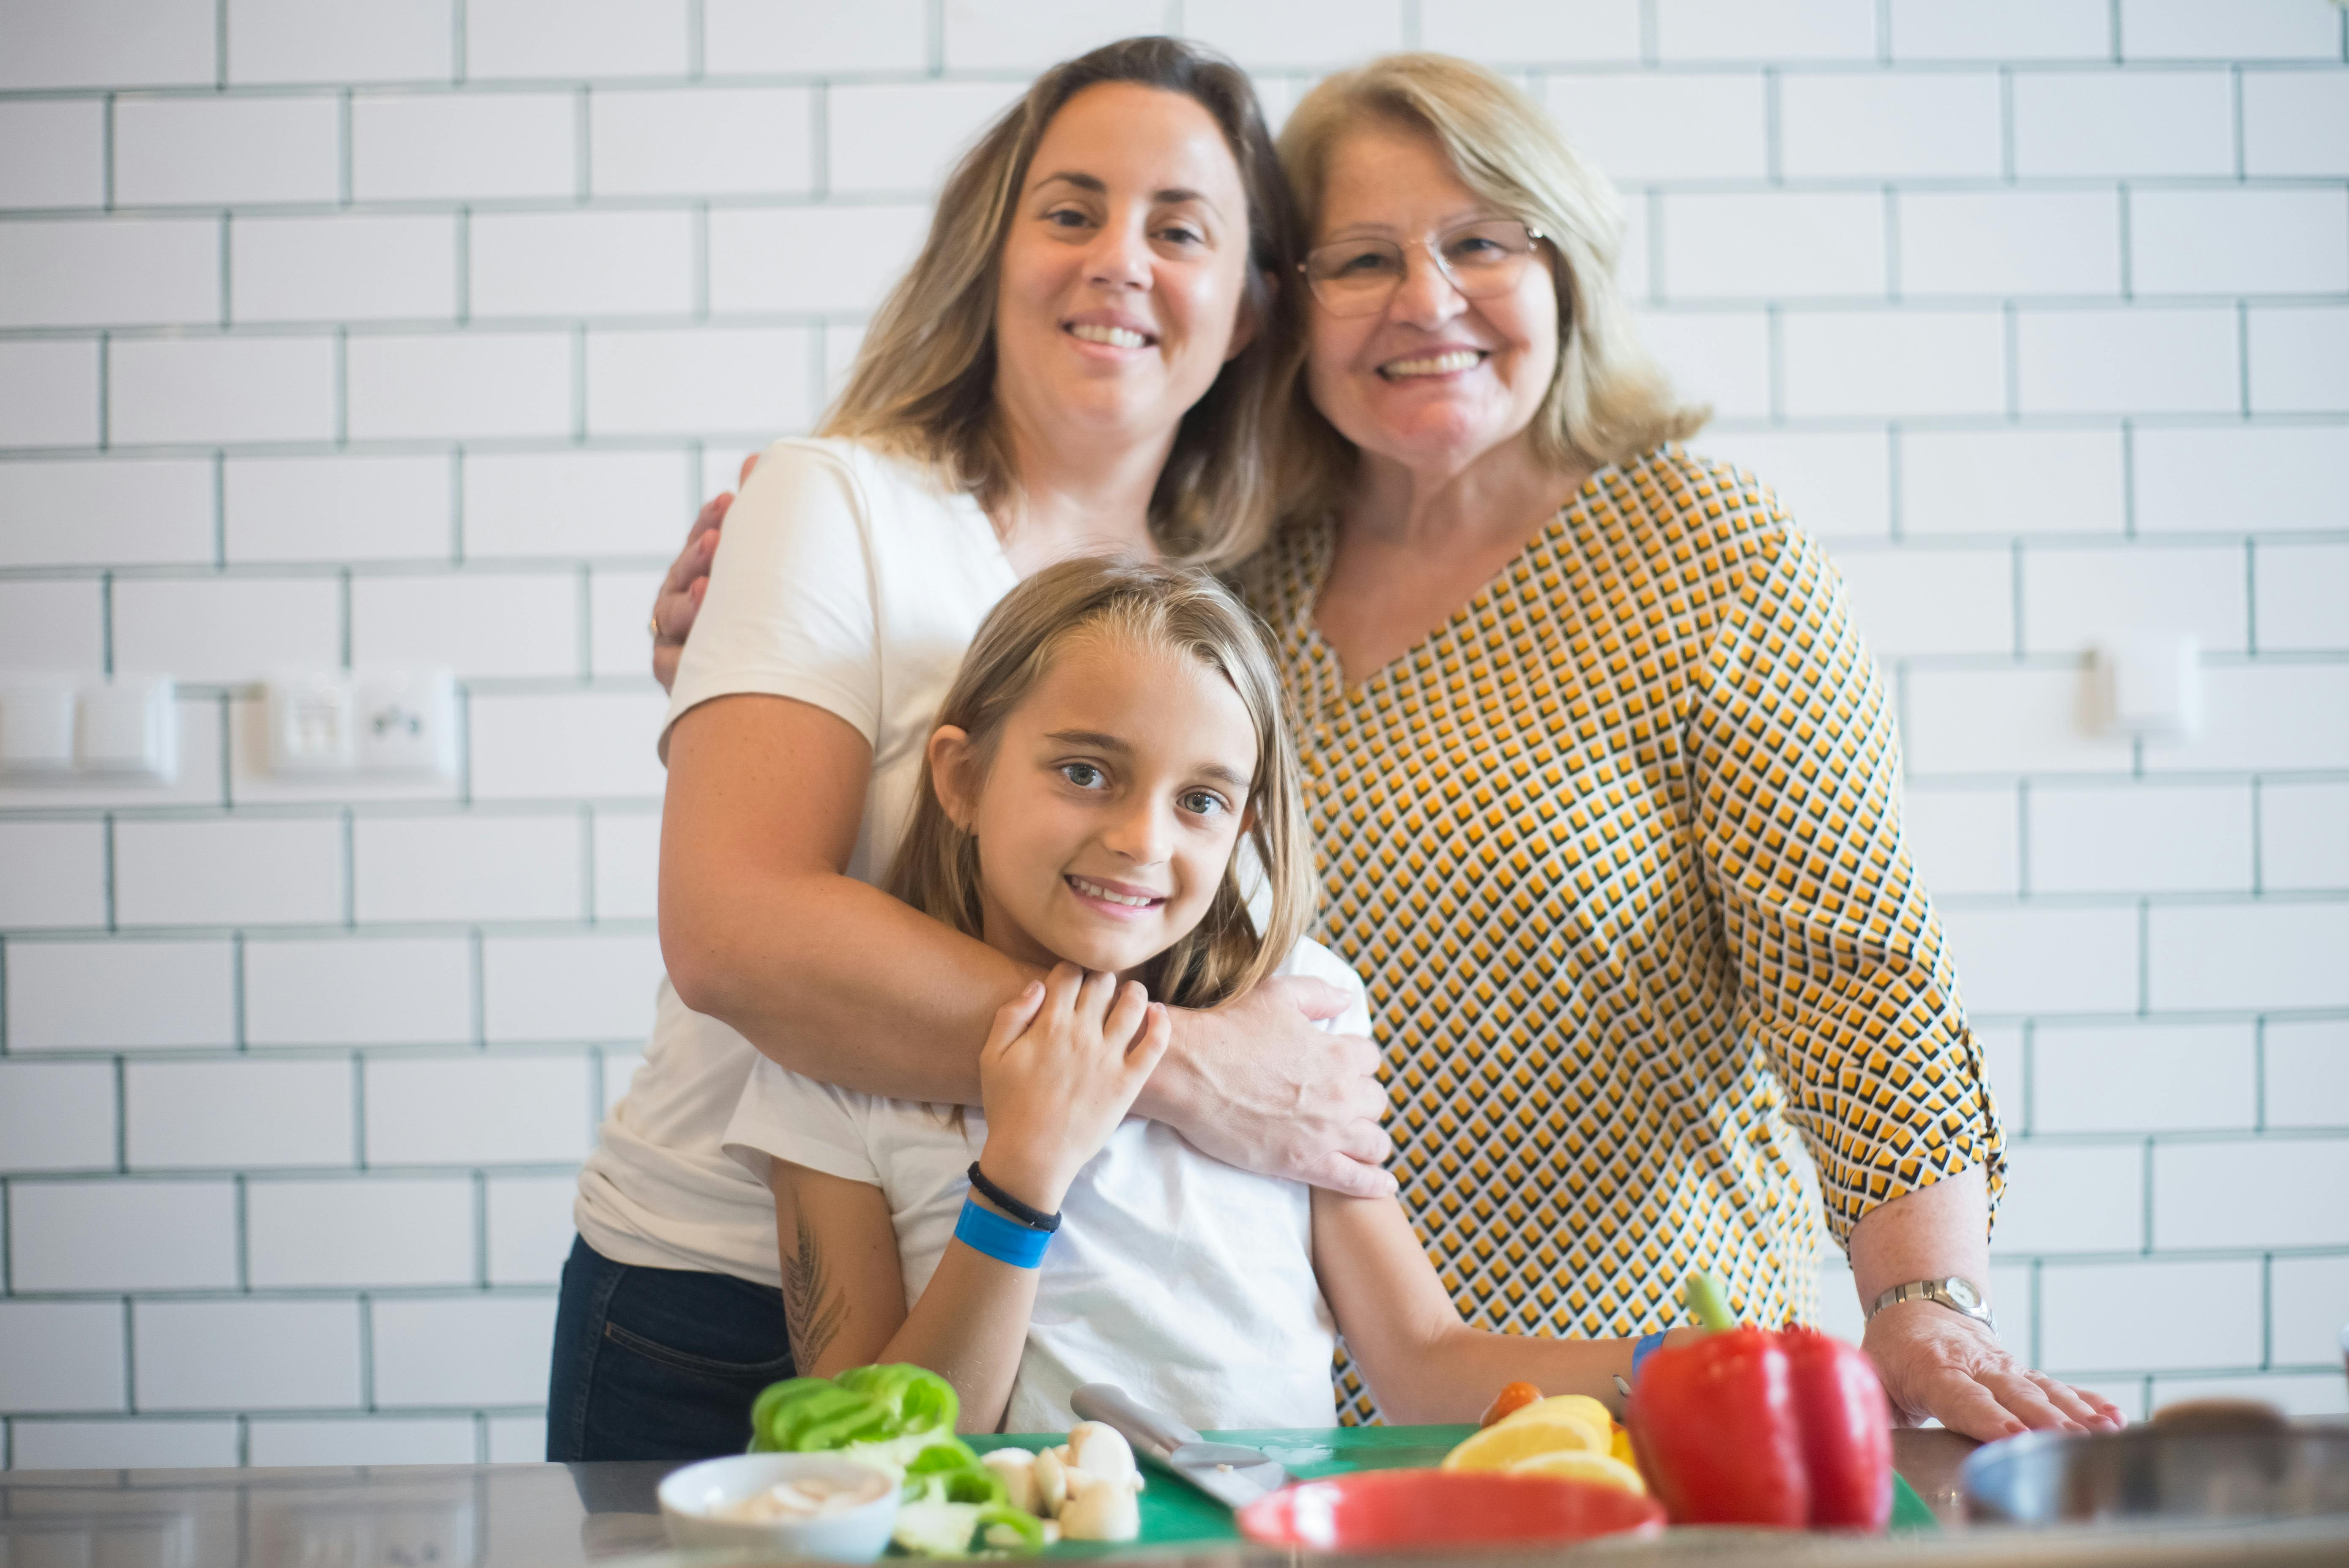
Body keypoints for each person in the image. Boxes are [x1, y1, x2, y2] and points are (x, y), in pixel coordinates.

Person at [650, 47, 2123, 1441]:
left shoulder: (1705, 554)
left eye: (1483, 241)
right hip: (1267, 1405)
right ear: (1292, 316)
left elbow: (1851, 959)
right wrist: (741, 648)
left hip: (1608, 1373)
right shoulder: (1241, 574)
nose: (1424, 297)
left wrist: (1917, 1301)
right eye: (1361, 259)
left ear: (1562, 267)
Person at [550, 38, 1390, 1462]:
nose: (1117, 259)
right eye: (1068, 211)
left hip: (1050, 1345)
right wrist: (1181, 1069)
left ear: (1249, 313)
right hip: (726, 1300)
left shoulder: (1221, 609)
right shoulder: (835, 505)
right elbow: (735, 935)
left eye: (1177, 229)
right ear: (991, 253)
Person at [724, 558, 1693, 1431]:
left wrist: (1682, 1370)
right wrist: (1020, 1180)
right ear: (963, 777)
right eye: (1086, 771)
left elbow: (1423, 1366)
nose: (1145, 840)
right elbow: (878, 1454)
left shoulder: (1299, 1020)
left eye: (1201, 800)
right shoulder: (832, 1060)